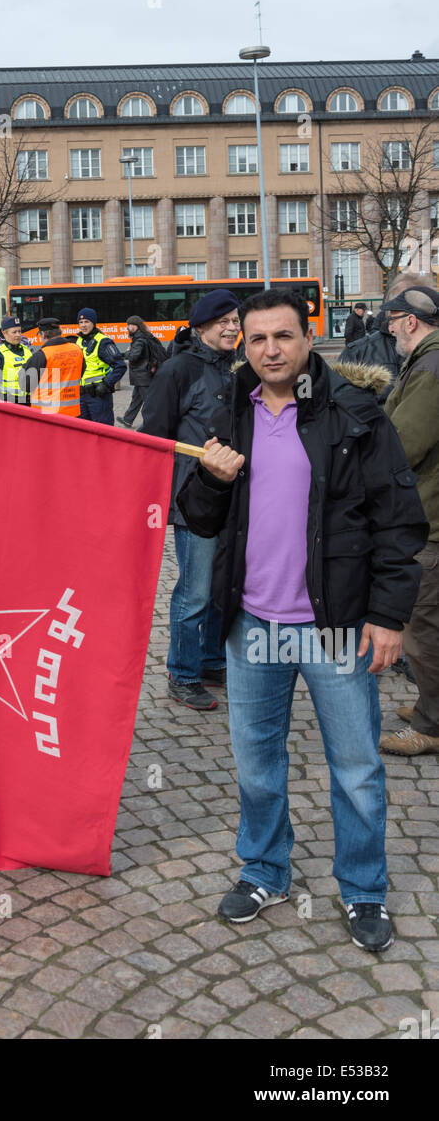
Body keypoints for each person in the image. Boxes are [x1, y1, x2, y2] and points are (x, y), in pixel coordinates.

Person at [178, 288, 427, 952]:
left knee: (355, 768)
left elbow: (398, 521)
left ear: (307, 336)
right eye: (255, 339)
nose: (269, 350)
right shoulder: (229, 409)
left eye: (282, 336)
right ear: (243, 343)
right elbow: (198, 516)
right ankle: (264, 870)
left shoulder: (355, 413)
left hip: (337, 626)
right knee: (258, 763)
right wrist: (212, 479)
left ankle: (364, 889)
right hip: (251, 625)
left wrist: (387, 615)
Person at [140, 290, 240, 709]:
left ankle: (213, 662)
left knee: (223, 587)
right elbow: (154, 436)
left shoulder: (239, 369)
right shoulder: (178, 369)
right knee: (195, 592)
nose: (232, 326)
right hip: (193, 501)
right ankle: (182, 674)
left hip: (233, 495)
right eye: (224, 321)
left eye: (236, 320)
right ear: (201, 327)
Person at [380, 285, 439, 756]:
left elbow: (405, 444)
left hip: (430, 516)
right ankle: (430, 703)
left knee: (423, 627)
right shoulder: (426, 363)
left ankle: (431, 725)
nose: (390, 330)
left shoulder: (430, 367)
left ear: (410, 321)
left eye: (392, 321)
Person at [24, 317, 85, 416]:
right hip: (72, 412)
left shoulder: (42, 355)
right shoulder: (77, 350)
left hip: (46, 414)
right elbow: (80, 373)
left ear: (43, 334)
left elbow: (26, 385)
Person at [76, 308, 126, 425]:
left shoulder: (103, 342)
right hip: (82, 396)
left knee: (102, 431)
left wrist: (106, 384)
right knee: (83, 431)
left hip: (98, 396)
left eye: (87, 322)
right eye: (81, 322)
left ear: (93, 323)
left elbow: (121, 366)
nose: (83, 325)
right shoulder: (79, 341)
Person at [118, 315, 166, 428]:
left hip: (142, 375)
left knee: (149, 402)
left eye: (128, 325)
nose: (127, 328)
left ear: (135, 326)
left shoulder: (139, 340)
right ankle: (128, 419)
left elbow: (134, 356)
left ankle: (154, 424)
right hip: (143, 375)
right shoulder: (144, 337)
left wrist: (128, 352)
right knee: (136, 399)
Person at [0, 316, 33, 403]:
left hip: (29, 402)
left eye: (19, 331)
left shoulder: (27, 351)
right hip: (9, 403)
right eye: (14, 332)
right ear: (4, 333)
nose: (18, 335)